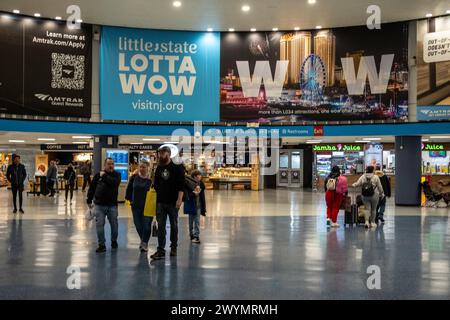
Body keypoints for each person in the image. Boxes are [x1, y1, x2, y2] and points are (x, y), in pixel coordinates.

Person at [150, 146, 184, 260]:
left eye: (162, 154)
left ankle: (173, 247)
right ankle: (161, 250)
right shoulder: (159, 168)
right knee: (161, 226)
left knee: (174, 225)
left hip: (173, 202)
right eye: (159, 153)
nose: (160, 156)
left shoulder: (178, 168)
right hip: (160, 202)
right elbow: (156, 184)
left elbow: (181, 185)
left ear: (168, 154)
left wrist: (179, 199)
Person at [87, 158, 121, 253]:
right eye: (109, 164)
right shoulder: (98, 175)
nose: (111, 166)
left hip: (112, 206)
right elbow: (92, 188)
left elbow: (114, 183)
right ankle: (102, 245)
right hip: (99, 205)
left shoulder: (117, 175)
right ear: (104, 165)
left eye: (112, 164)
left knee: (114, 226)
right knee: (99, 226)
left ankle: (114, 240)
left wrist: (105, 176)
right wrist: (89, 200)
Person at [125, 160, 153, 253]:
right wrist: (129, 200)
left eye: (144, 167)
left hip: (148, 206)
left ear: (148, 168)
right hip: (136, 206)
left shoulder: (151, 180)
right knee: (138, 225)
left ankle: (144, 243)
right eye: (140, 167)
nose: (142, 169)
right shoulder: (134, 177)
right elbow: (129, 189)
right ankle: (143, 240)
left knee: (147, 226)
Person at [183, 170, 207, 244]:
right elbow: (187, 195)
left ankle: (196, 236)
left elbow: (202, 197)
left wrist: (204, 207)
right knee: (191, 220)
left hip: (198, 205)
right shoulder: (188, 184)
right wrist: (194, 193)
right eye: (198, 176)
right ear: (194, 177)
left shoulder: (201, 184)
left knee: (197, 221)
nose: (200, 177)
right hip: (191, 204)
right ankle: (191, 234)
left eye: (200, 175)